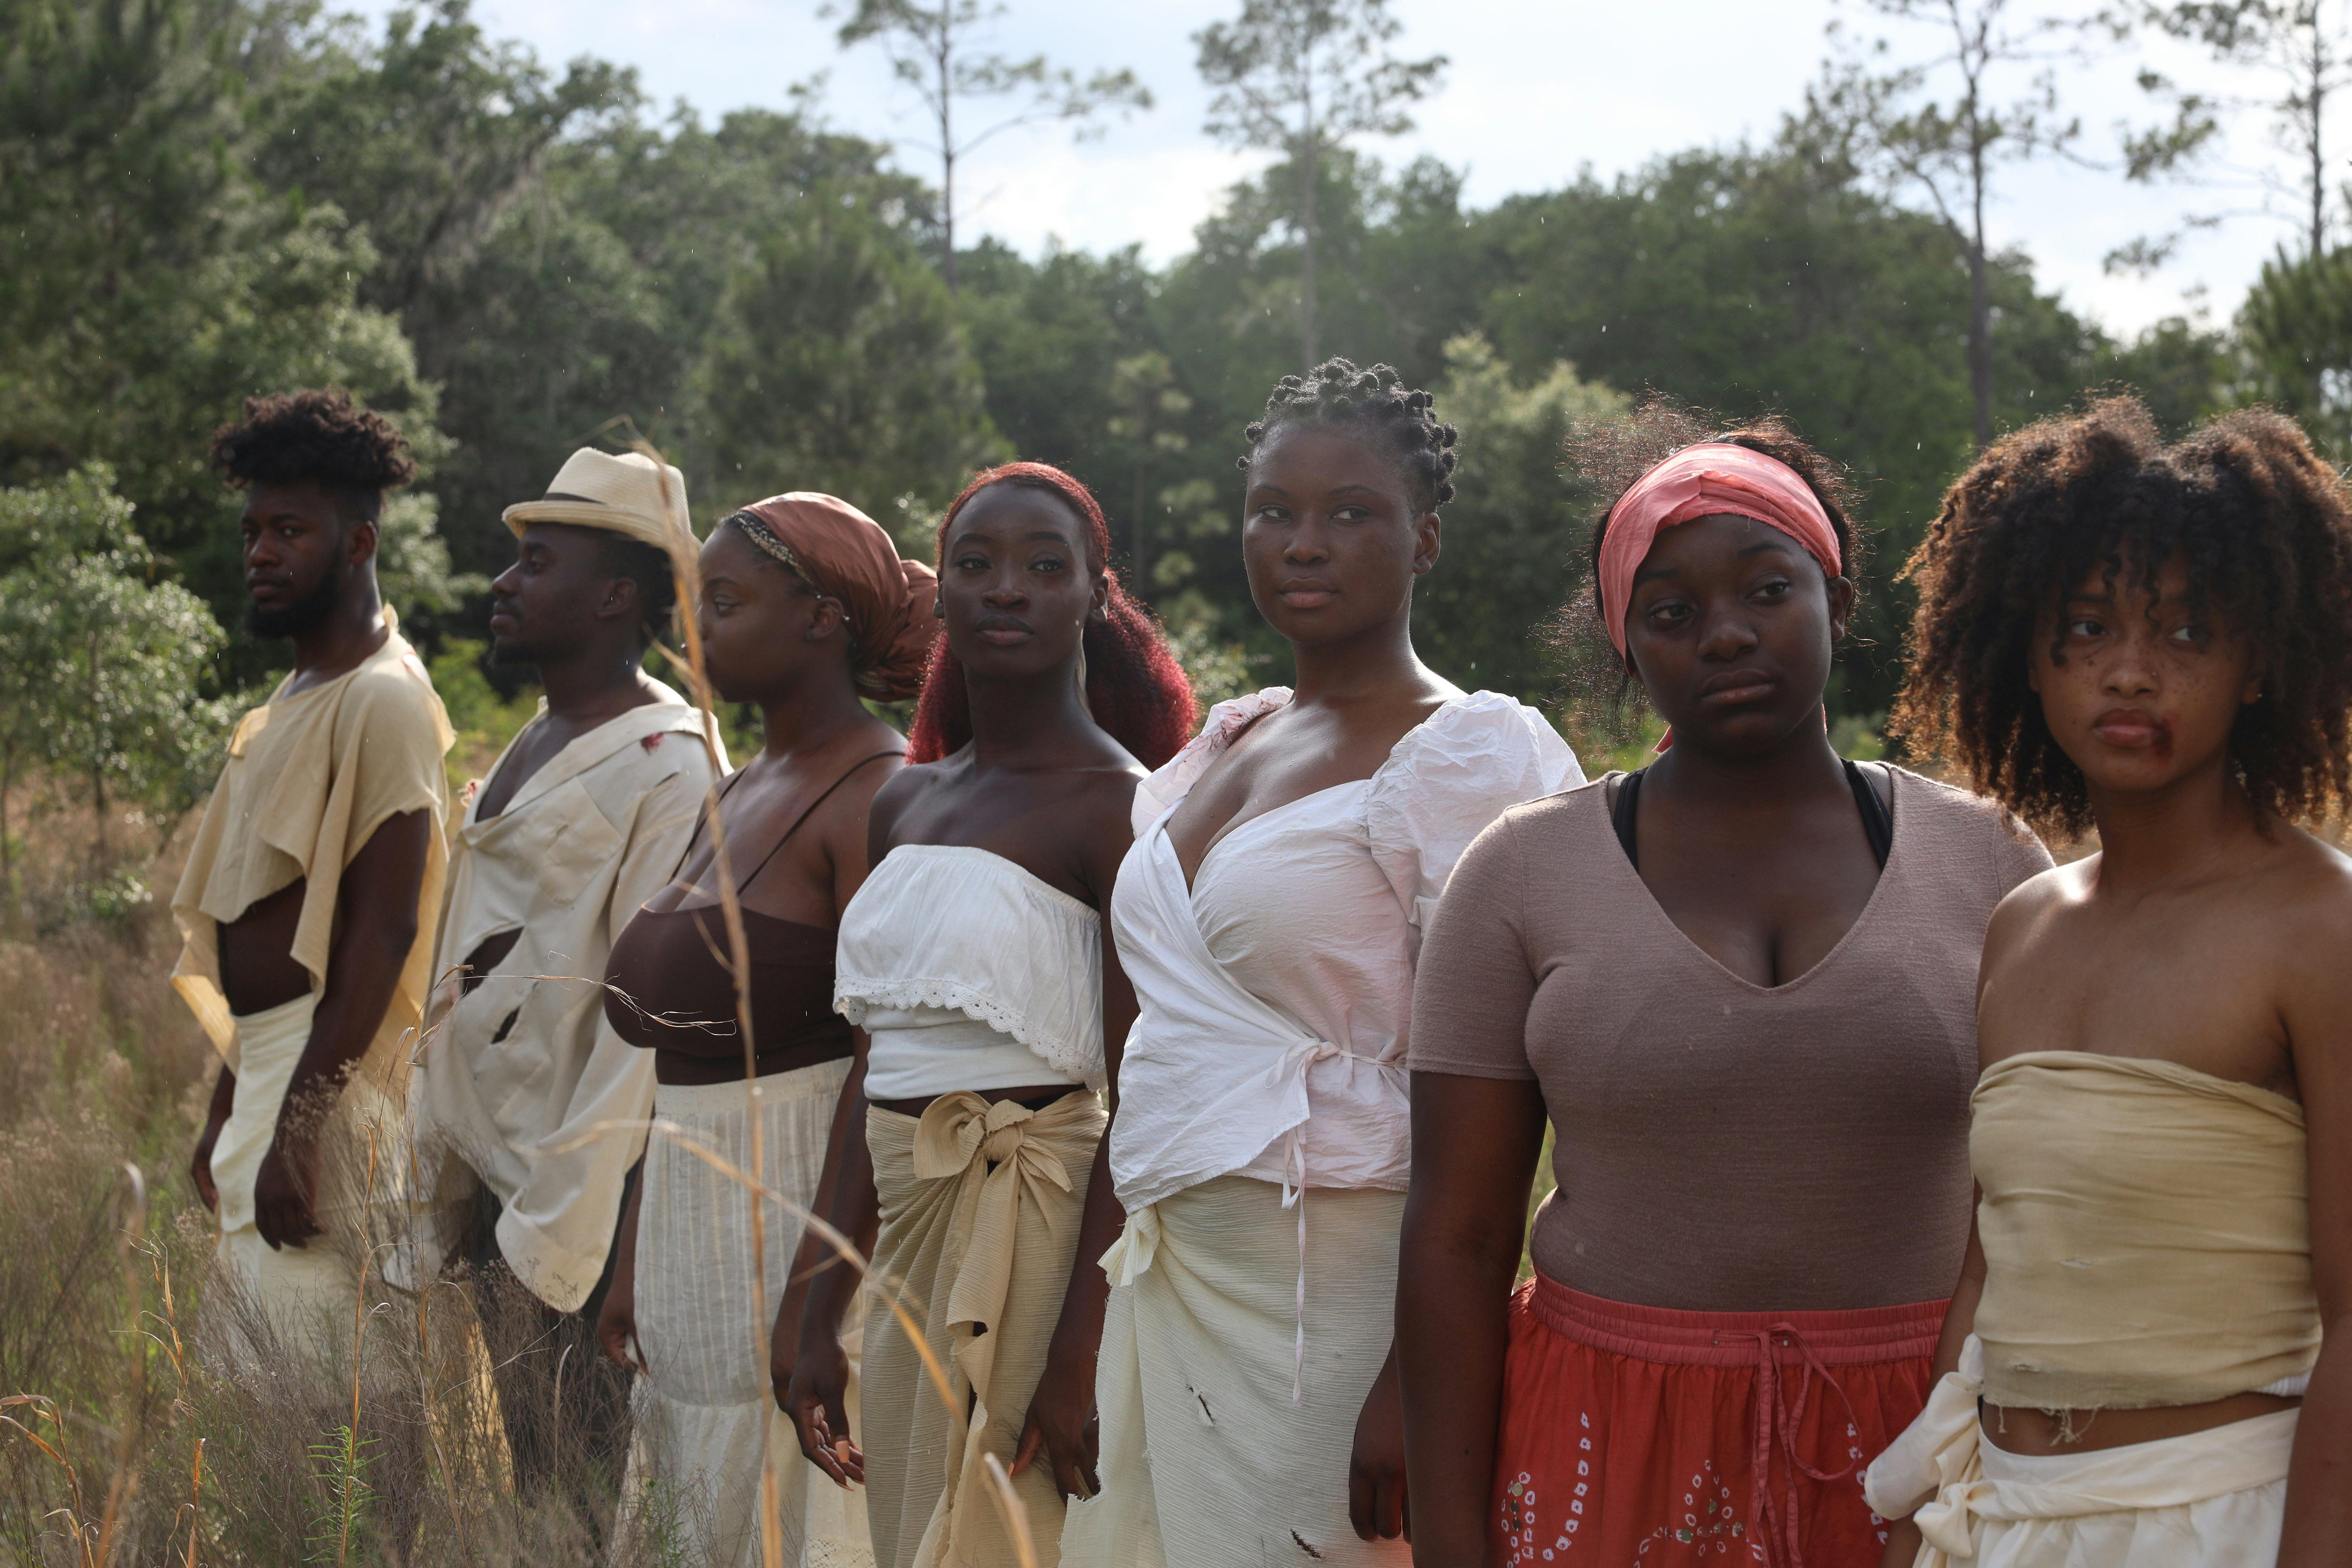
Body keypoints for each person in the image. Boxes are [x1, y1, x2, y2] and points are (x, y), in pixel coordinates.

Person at [1396, 405, 2054, 1568]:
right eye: (1672, 613)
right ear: (1626, 646)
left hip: (1934, 1445)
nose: (1728, 635)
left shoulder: (1993, 861)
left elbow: (2055, 1202)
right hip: (1611, 1436)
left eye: (1767, 589)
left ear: (1837, 600)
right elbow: (1460, 1236)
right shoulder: (1520, 873)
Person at [1060, 360, 1581, 1568]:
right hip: (1174, 1270)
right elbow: (1152, 1052)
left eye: (1352, 512)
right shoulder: (1226, 741)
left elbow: (1512, 1093)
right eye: (1273, 510)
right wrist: (1083, 1322)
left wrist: (1418, 1372)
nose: (1304, 541)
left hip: (1346, 1302)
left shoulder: (1470, 755)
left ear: (1427, 540)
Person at [1859, 398, 2352, 1568]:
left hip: (2222, 1518)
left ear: (2259, 666)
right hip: (1999, 1519)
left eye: (2188, 634)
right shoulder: (2022, 928)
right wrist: (1923, 1517)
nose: (2130, 673)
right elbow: (1993, 1260)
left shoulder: (2322, 925)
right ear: (2027, 655)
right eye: (2087, 628)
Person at [784, 461, 1195, 1568]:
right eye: (976, 565)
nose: (1006, 589)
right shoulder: (904, 802)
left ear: (1095, 599)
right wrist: (814, 1300)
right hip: (908, 1243)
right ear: (944, 596)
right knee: (908, 1530)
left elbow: (1143, 1086)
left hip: (1041, 1242)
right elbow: (875, 1067)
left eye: (1043, 567)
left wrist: (1078, 1347)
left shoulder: (1118, 806)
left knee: (1009, 1542)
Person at [593, 493, 934, 1568]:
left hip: (794, 1225)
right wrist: (635, 1246)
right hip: (696, 1238)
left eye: (725, 602)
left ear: (822, 619)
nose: (695, 631)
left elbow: (886, 1064)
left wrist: (814, 1302)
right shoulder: (739, 787)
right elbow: (682, 1059)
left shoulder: (874, 792)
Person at [412, 447, 724, 1478]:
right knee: (533, 1486)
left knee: (591, 1485)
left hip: (583, 1200)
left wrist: (574, 1227)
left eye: (537, 563)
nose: (505, 583)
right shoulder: (537, 737)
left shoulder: (672, 770)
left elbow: (643, 1030)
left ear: (617, 596)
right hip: (496, 1163)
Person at [176, 389, 453, 1354]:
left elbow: (384, 932)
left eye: (290, 530)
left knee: (333, 1404)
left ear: (361, 544)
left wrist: (300, 1128)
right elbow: (261, 931)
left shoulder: (384, 699)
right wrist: (226, 1107)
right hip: (273, 1070)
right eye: (253, 531)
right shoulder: (289, 701)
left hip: (334, 1088)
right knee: (254, 1394)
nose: (260, 552)